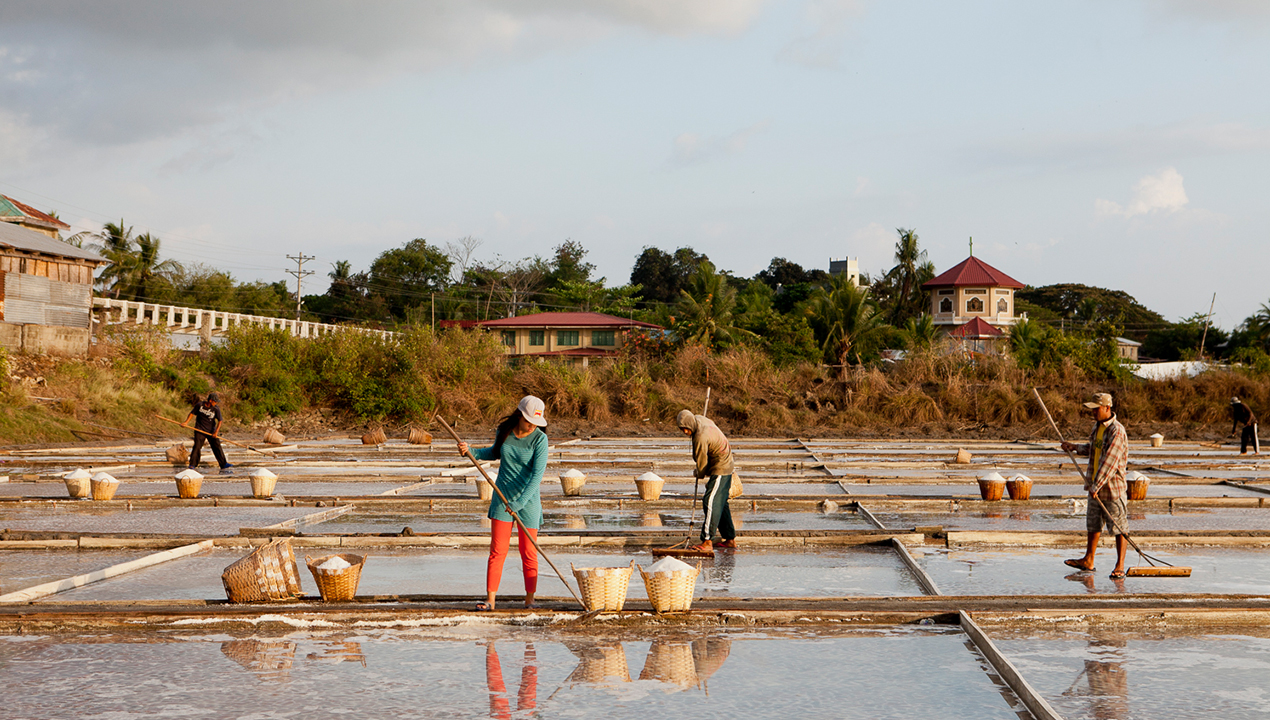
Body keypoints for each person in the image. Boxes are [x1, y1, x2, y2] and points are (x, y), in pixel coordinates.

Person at [457, 396, 548, 611]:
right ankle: (490, 600)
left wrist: (520, 502)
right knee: (497, 551)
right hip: (502, 497)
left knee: (529, 552)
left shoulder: (540, 440)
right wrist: (471, 451)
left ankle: (530, 600)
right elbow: (494, 452)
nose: (531, 426)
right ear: (519, 415)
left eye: (535, 422)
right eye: (528, 421)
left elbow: (536, 477)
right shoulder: (505, 431)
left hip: (528, 501)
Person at [1061, 392, 1130, 579]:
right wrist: (1075, 447)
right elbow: (1094, 449)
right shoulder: (1098, 427)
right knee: (1093, 523)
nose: (1093, 412)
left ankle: (1120, 565)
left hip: (1112, 489)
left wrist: (1096, 486)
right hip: (1095, 486)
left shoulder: (1116, 431)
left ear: (1107, 408)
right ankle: (1088, 559)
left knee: (1119, 526)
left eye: (1096, 409)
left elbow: (1110, 462)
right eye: (1092, 409)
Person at [677, 409, 737, 553]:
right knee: (720, 502)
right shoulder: (698, 419)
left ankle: (707, 540)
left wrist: (699, 473)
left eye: (686, 428)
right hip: (722, 458)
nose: (685, 431)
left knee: (710, 501)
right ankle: (730, 539)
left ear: (690, 424)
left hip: (722, 464)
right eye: (682, 429)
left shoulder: (700, 436)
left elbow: (702, 461)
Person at [183, 392, 233, 475]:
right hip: (200, 430)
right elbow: (192, 413)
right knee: (197, 446)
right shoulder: (200, 405)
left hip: (211, 431)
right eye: (215, 401)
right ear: (210, 400)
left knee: (217, 446)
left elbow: (220, 421)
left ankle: (223, 464)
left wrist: (216, 432)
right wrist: (186, 422)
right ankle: (192, 464)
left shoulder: (216, 409)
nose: (216, 403)